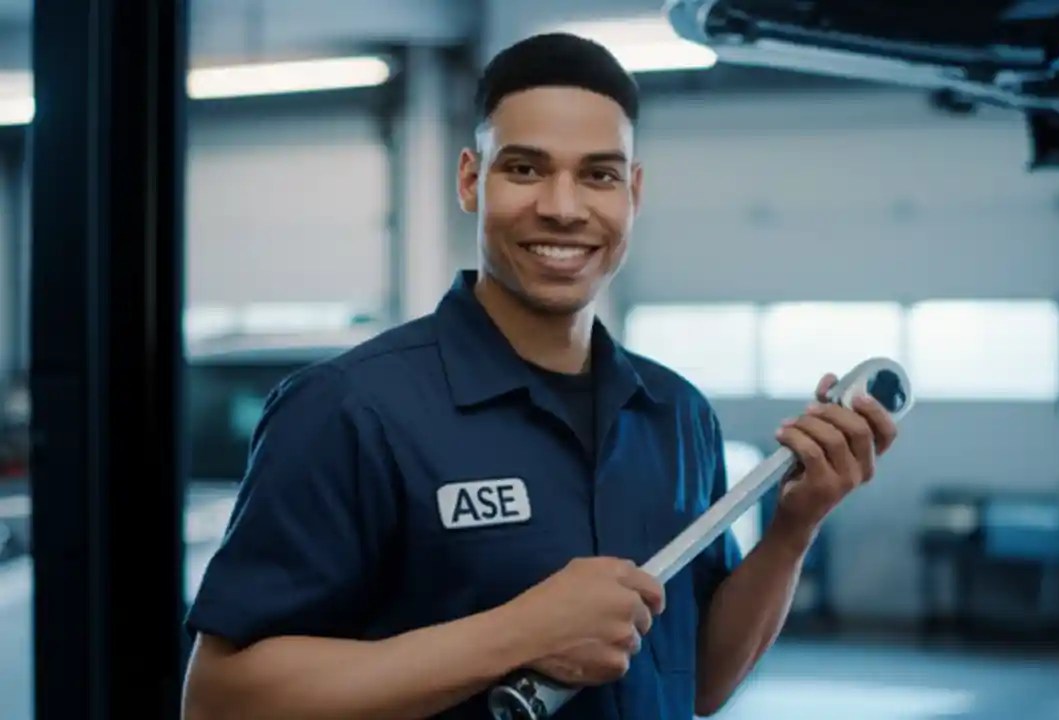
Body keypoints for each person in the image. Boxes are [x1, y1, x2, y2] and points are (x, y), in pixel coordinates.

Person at [181, 32, 899, 720]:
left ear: (633, 193)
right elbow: (220, 700)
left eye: (599, 175)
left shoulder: (675, 415)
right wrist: (520, 633)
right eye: (525, 168)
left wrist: (793, 529)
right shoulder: (350, 411)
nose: (562, 207)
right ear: (471, 180)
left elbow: (703, 681)